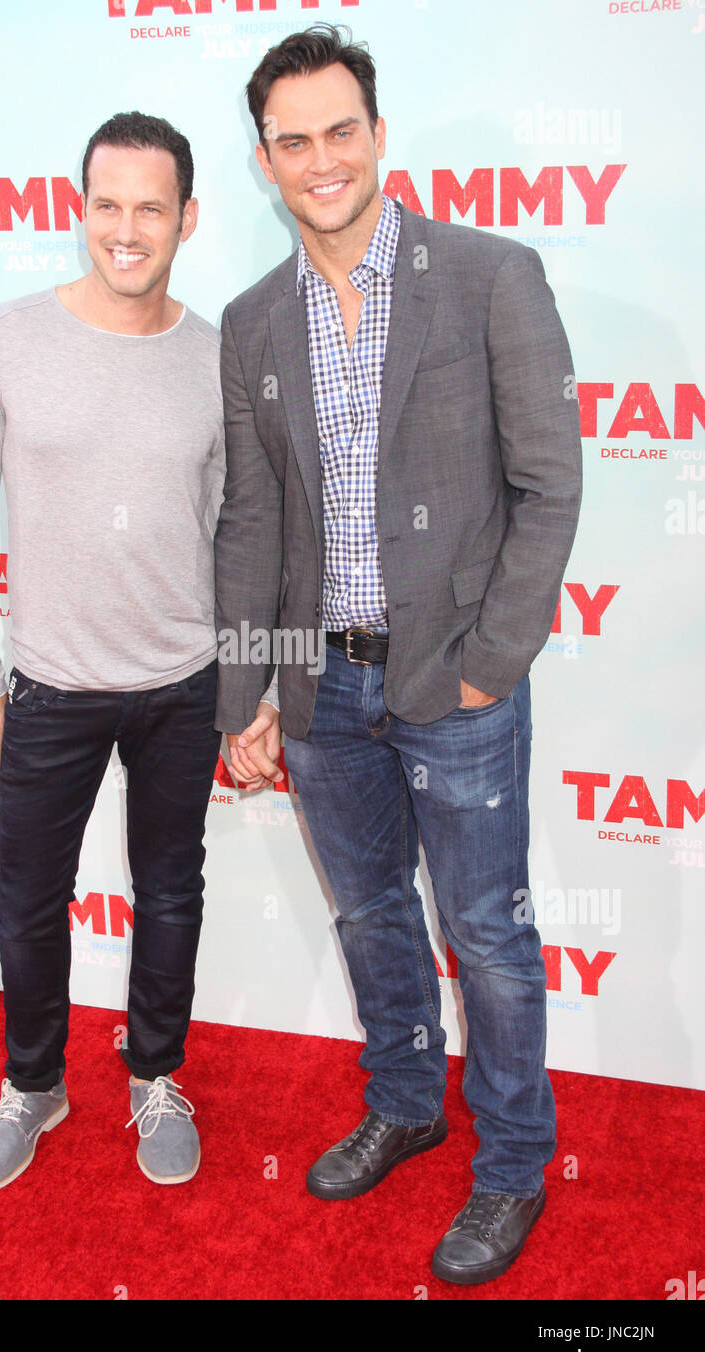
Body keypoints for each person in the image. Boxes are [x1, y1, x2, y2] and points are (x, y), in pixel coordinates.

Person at [215, 26, 582, 1285]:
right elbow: (254, 521)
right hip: (324, 689)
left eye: (338, 131)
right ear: (263, 160)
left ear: (376, 135)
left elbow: (548, 486)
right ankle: (405, 1099)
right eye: (291, 140)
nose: (319, 160)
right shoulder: (254, 320)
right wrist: (248, 691)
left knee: (484, 934)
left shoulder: (486, 276)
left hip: (456, 686)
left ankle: (512, 1165)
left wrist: (487, 662)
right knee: (370, 912)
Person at [0, 111, 225, 1192]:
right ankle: (33, 1086)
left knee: (169, 892)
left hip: (181, 686)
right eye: (106, 203)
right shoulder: (3, 339)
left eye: (150, 206)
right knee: (27, 901)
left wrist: (241, 684)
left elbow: (226, 527)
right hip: (49, 685)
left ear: (185, 218)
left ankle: (154, 1074)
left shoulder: (213, 357)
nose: (126, 226)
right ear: (78, 211)